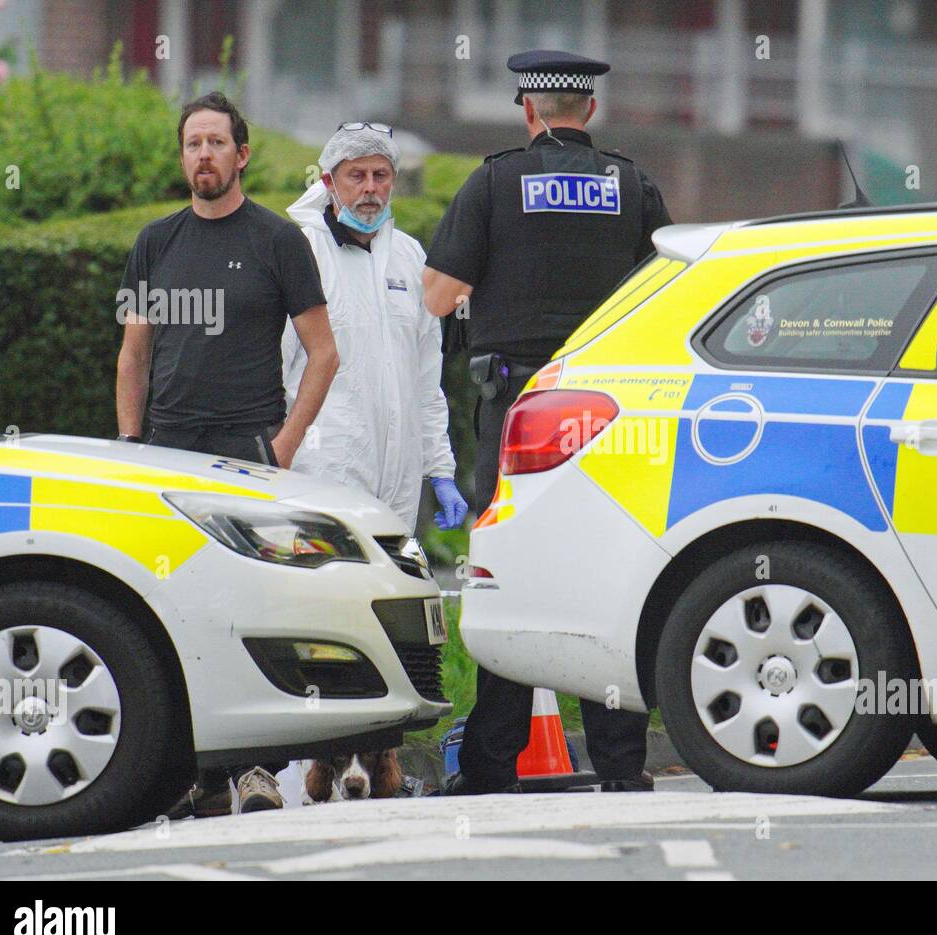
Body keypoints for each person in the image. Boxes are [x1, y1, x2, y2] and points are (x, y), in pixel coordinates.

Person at [422, 49, 672, 796]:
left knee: (512, 576)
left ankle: (493, 764)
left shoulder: (495, 182)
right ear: (587, 111)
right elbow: (668, 291)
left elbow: (437, 294)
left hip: (520, 415)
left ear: (527, 111)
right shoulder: (633, 185)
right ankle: (625, 767)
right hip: (607, 416)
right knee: (609, 576)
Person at [116, 91, 339, 816]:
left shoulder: (278, 241)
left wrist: (282, 444)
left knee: (252, 609)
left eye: (217, 143)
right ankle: (196, 774)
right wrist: (129, 447)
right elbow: (133, 355)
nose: (204, 155)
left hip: (248, 454)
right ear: (182, 157)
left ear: (241, 155)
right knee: (173, 607)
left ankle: (256, 770)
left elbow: (324, 354)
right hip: (168, 454)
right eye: (193, 144)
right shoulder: (156, 242)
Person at [281, 122, 467, 533]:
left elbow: (425, 375)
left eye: (380, 175)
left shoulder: (409, 256)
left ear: (393, 181)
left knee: (388, 589)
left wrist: (440, 469)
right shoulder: (302, 253)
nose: (370, 188)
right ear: (329, 181)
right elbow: (275, 369)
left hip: (398, 476)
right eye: (356, 175)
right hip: (322, 467)